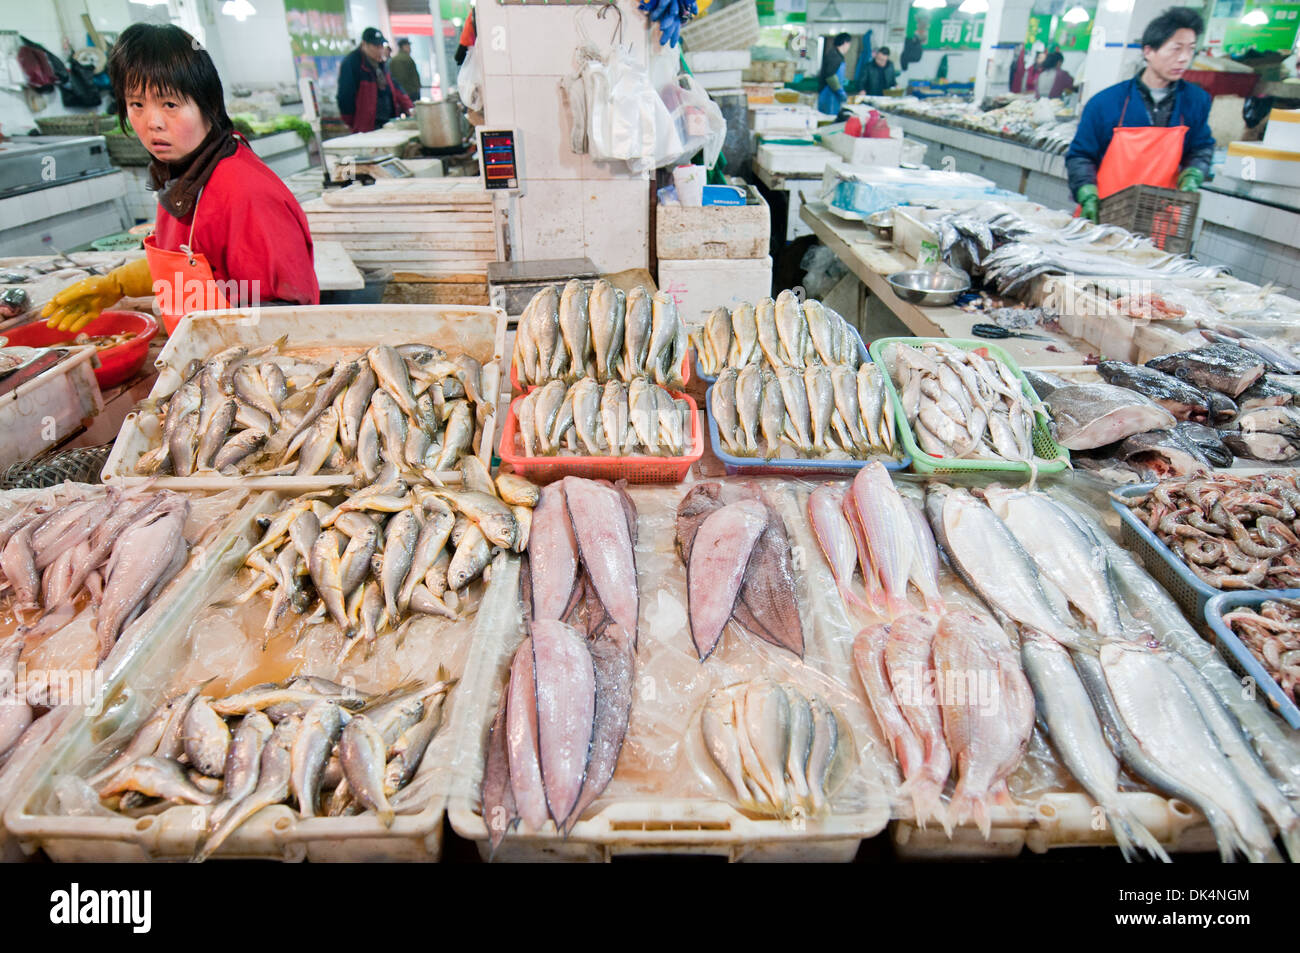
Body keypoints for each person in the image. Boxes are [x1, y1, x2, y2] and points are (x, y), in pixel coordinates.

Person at [42, 23, 317, 333]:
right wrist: (117, 284)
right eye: (137, 105)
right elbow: (194, 266)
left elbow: (285, 318)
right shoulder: (183, 173)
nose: (153, 122)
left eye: (170, 104)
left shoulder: (244, 193)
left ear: (208, 104)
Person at [1066, 7, 1214, 223]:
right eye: (1176, 49)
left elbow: (1200, 147)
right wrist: (1086, 192)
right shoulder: (1106, 103)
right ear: (1148, 51)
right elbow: (1081, 155)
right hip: (1104, 213)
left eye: (1190, 50)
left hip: (1158, 221)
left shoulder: (1196, 101)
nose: (1184, 58)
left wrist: (1194, 174)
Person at [338, 26, 413, 133]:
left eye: (381, 46)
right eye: (376, 46)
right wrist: (354, 123)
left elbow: (394, 86)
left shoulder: (380, 64)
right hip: (366, 127)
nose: (380, 50)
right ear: (364, 44)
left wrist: (409, 107)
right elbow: (345, 96)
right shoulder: (352, 63)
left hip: (387, 123)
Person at [818, 32, 853, 117]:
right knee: (828, 120)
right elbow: (830, 76)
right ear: (845, 43)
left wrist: (843, 81)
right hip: (829, 95)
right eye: (849, 44)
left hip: (833, 95)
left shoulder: (837, 55)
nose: (849, 47)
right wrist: (840, 92)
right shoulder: (834, 56)